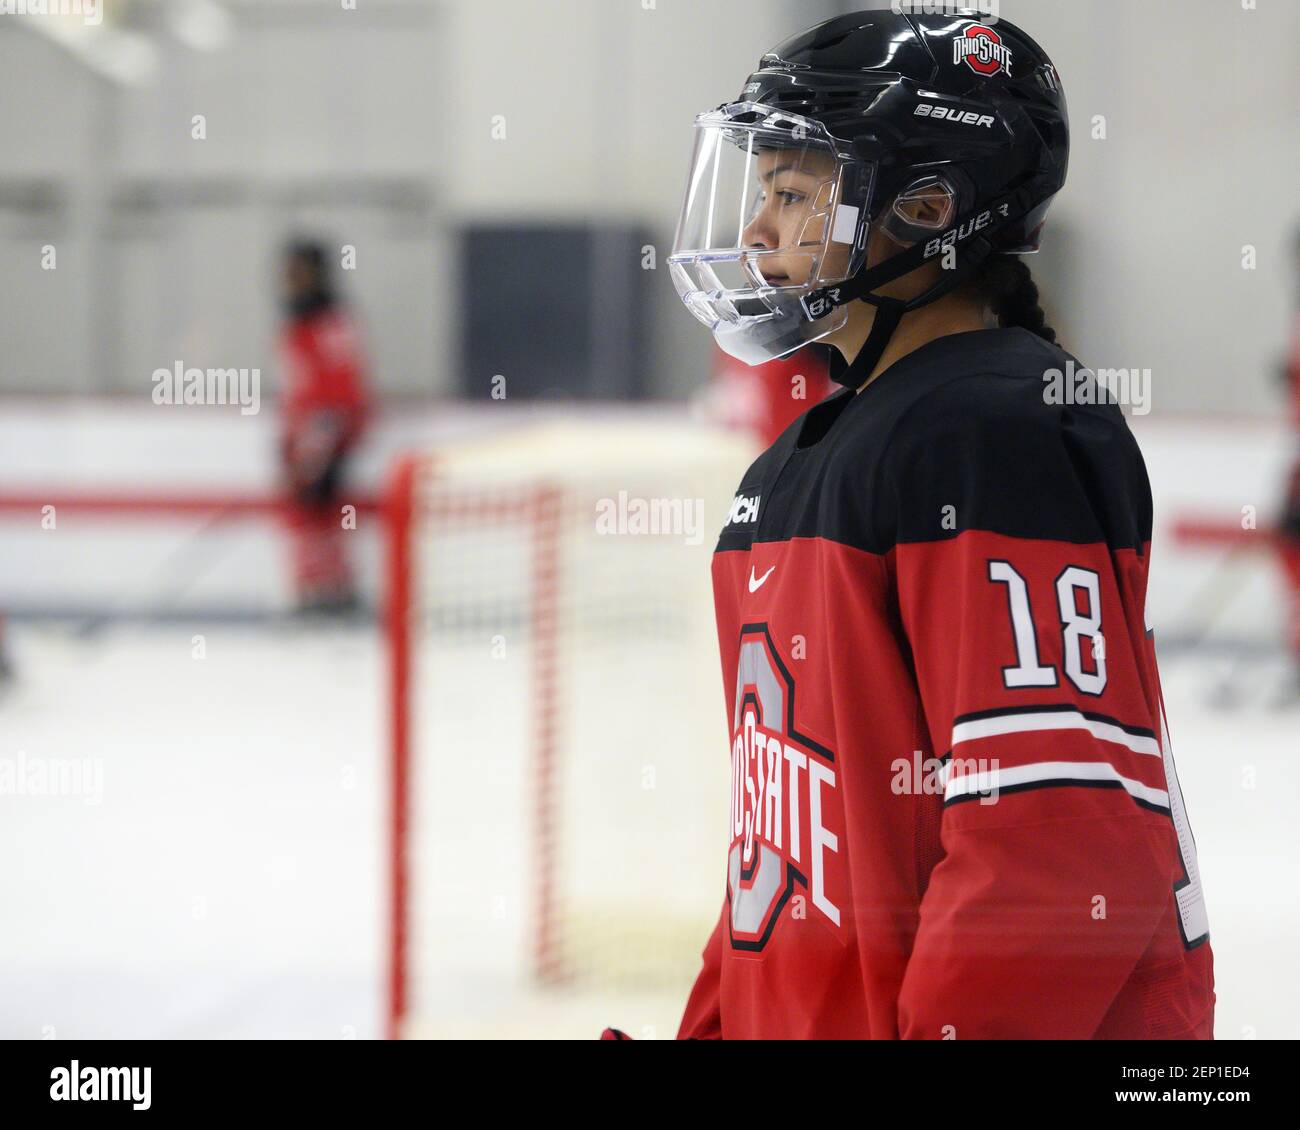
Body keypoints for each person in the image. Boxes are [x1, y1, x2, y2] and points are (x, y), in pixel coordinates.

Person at [662, 9, 1214, 1039]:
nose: (754, 232)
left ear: (923, 207)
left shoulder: (991, 429)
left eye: (791, 192)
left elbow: (1057, 839)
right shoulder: (784, 472)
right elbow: (779, 876)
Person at [277, 239, 370, 615]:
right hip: (306, 438)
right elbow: (297, 387)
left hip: (329, 435)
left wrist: (322, 441)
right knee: (306, 515)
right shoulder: (296, 322)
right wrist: (290, 439)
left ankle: (333, 592)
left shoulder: (330, 322)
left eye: (298, 272)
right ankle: (313, 589)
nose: (290, 281)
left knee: (324, 513)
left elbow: (341, 387)